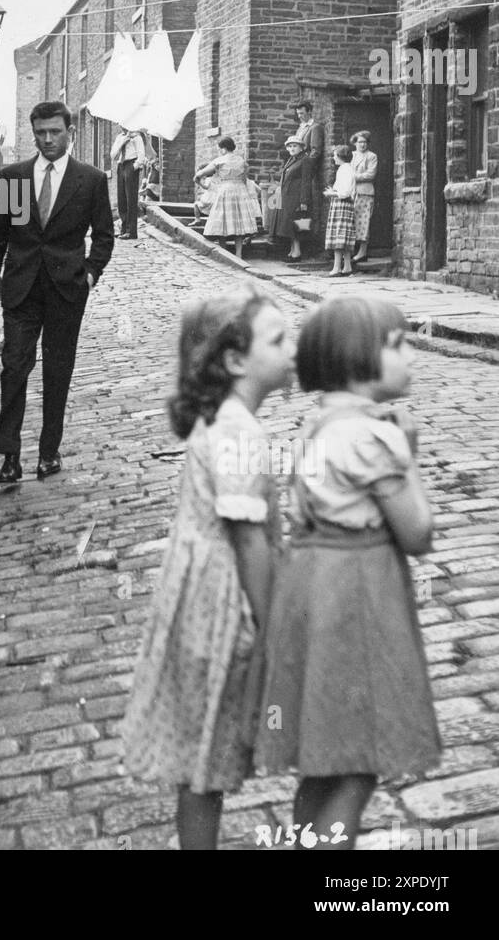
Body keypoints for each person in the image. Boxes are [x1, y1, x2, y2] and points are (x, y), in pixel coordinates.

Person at [255, 296, 439, 848]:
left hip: (312, 590)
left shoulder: (320, 425)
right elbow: (418, 533)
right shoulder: (374, 438)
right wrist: (407, 455)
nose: (412, 355)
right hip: (358, 595)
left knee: (324, 756)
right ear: (361, 359)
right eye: (400, 345)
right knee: (359, 757)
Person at [122, 287, 295, 850]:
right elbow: (250, 544)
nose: (291, 349)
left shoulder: (222, 418)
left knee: (202, 744)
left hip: (196, 598)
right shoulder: (240, 431)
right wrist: (275, 629)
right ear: (236, 359)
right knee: (207, 752)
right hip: (219, 608)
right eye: (279, 339)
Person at [0, 100, 114, 484]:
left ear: (70, 133)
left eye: (55, 132)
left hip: (66, 291)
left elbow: (103, 237)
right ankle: (9, 456)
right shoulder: (15, 178)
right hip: (21, 289)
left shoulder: (89, 180)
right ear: (34, 133)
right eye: (41, 133)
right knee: (13, 369)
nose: (48, 140)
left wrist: (89, 274)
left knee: (58, 371)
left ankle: (48, 453)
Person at [194, 136, 258, 260]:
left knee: (223, 220)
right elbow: (244, 180)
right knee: (239, 222)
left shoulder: (219, 160)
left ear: (223, 148)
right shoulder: (242, 161)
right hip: (240, 191)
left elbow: (199, 175)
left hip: (225, 191)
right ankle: (238, 253)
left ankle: (224, 251)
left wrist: (200, 183)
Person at [292, 99, 325, 248]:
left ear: (309, 112)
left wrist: (304, 166)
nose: (300, 116)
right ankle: (296, 244)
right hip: (297, 170)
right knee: (297, 208)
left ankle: (306, 244)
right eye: (298, 113)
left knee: (305, 208)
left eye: (302, 113)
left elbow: (315, 151)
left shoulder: (315, 127)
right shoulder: (300, 128)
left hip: (306, 172)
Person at [276, 135, 314, 262]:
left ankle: (297, 252)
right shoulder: (291, 160)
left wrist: (304, 201)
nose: (292, 148)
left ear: (301, 148)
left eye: (295, 146)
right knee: (289, 224)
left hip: (297, 196)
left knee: (295, 224)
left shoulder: (305, 160)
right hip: (288, 197)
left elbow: (306, 181)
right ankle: (292, 250)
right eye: (290, 146)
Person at [110, 127, 150, 239]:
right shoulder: (119, 137)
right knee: (121, 199)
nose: (122, 126)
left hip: (131, 166)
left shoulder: (137, 137)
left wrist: (134, 167)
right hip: (120, 166)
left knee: (131, 199)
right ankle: (123, 230)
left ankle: (131, 231)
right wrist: (123, 141)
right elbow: (113, 155)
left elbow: (141, 156)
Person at [323, 144, 356, 277]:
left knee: (339, 236)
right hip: (342, 204)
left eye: (335, 155)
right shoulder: (344, 168)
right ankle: (347, 267)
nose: (333, 158)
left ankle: (337, 268)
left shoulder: (345, 170)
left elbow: (345, 192)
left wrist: (331, 194)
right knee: (343, 236)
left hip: (342, 204)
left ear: (341, 156)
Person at [350, 131, 378, 264]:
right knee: (352, 221)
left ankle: (362, 252)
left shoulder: (371, 156)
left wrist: (353, 177)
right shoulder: (352, 155)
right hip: (352, 192)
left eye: (364, 142)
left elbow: (370, 174)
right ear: (355, 143)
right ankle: (350, 251)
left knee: (364, 221)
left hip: (365, 192)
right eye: (359, 142)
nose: (362, 144)